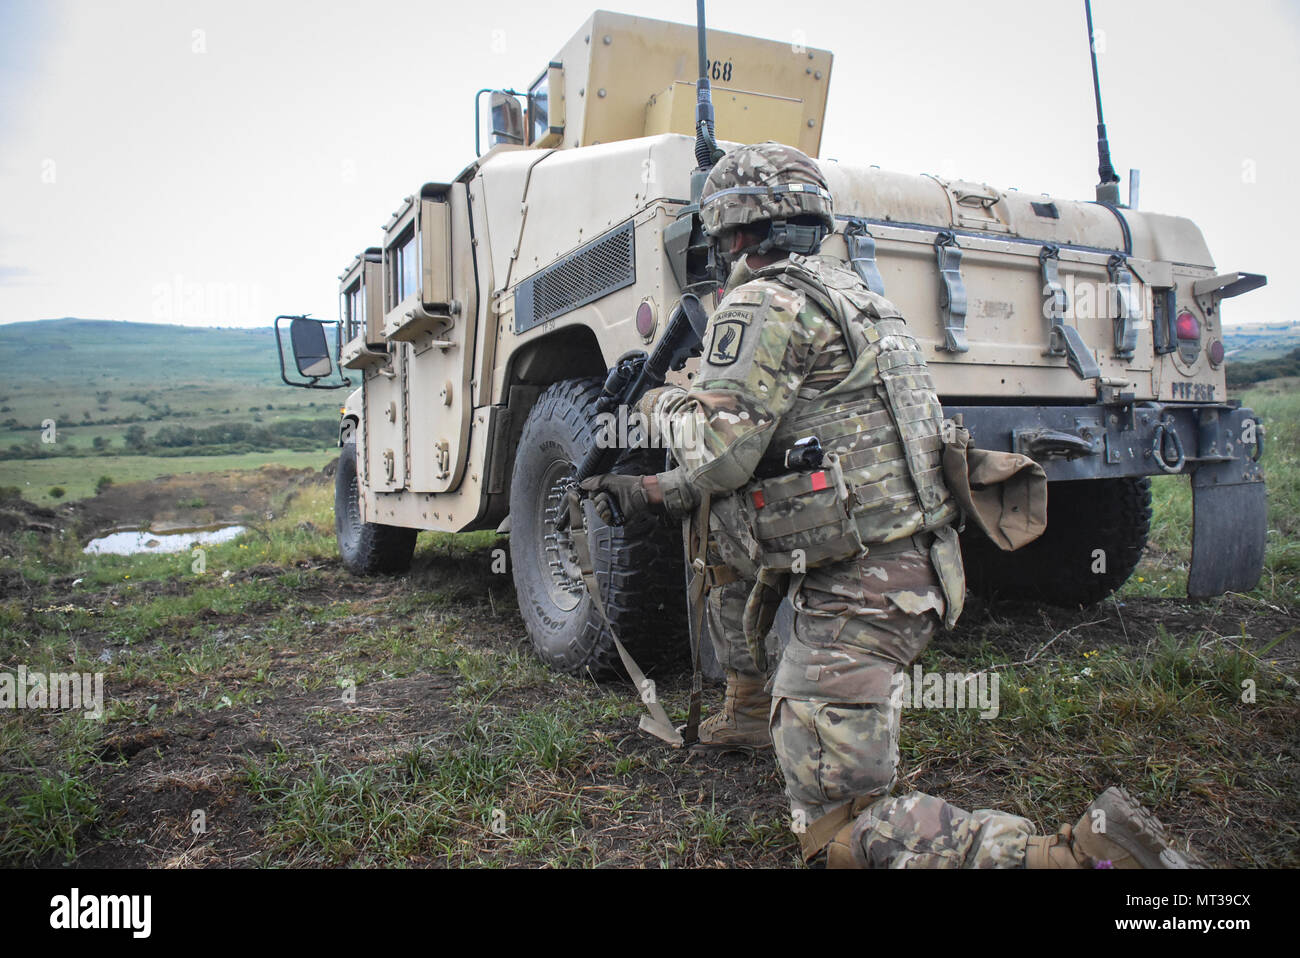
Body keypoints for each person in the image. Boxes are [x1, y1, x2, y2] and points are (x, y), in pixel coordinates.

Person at [579, 141, 1195, 869]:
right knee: (713, 525)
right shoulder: (862, 298)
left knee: (838, 831)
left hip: (864, 592)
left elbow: (720, 452)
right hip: (912, 564)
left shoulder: (761, 302)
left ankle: (1076, 860)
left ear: (733, 233)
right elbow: (780, 460)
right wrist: (651, 490)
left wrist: (656, 399)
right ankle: (750, 708)